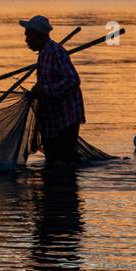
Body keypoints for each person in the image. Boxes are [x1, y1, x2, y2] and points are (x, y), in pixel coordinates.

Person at [20, 15, 85, 167]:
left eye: (28, 36)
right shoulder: (44, 53)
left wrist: (43, 90)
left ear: (38, 35)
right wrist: (38, 89)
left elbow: (72, 80)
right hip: (54, 116)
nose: (26, 41)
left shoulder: (56, 52)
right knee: (55, 160)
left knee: (63, 160)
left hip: (66, 115)